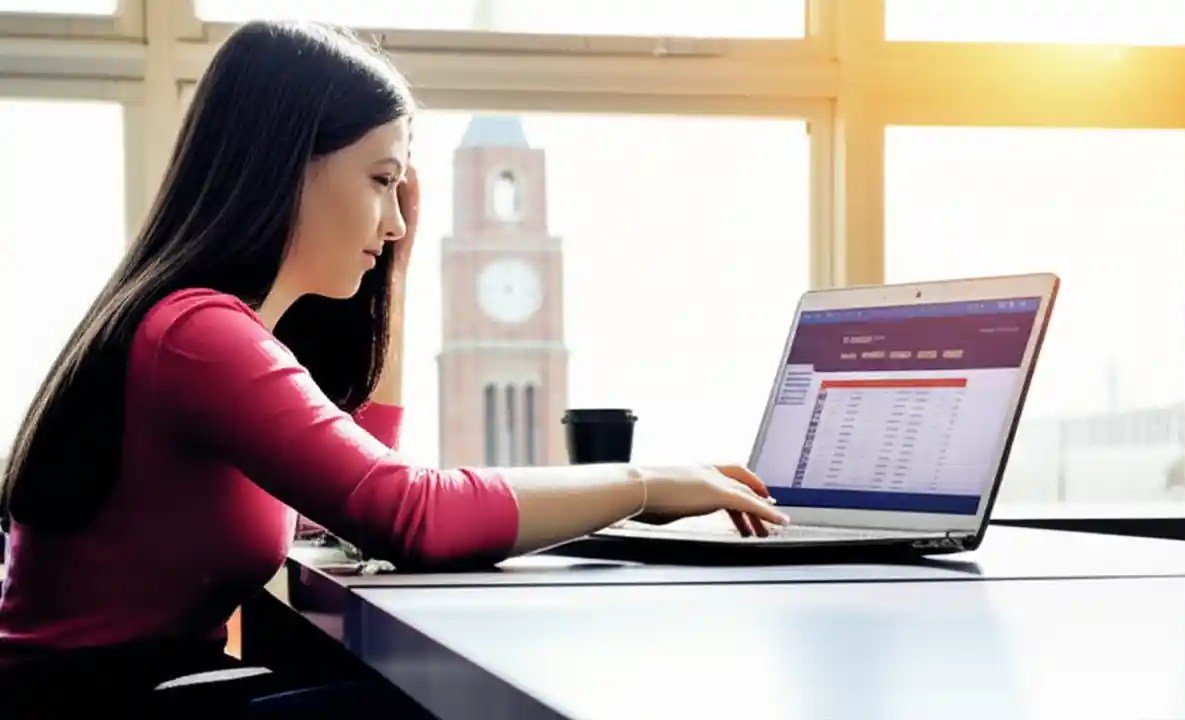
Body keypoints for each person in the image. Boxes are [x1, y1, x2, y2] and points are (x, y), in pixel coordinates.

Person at [0, 18, 788, 718]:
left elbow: (359, 483)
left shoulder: (190, 324)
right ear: (289, 164)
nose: (398, 217)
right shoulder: (202, 333)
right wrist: (643, 485)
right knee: (472, 701)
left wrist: (393, 273)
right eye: (382, 181)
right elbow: (402, 513)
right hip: (97, 704)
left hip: (126, 692)